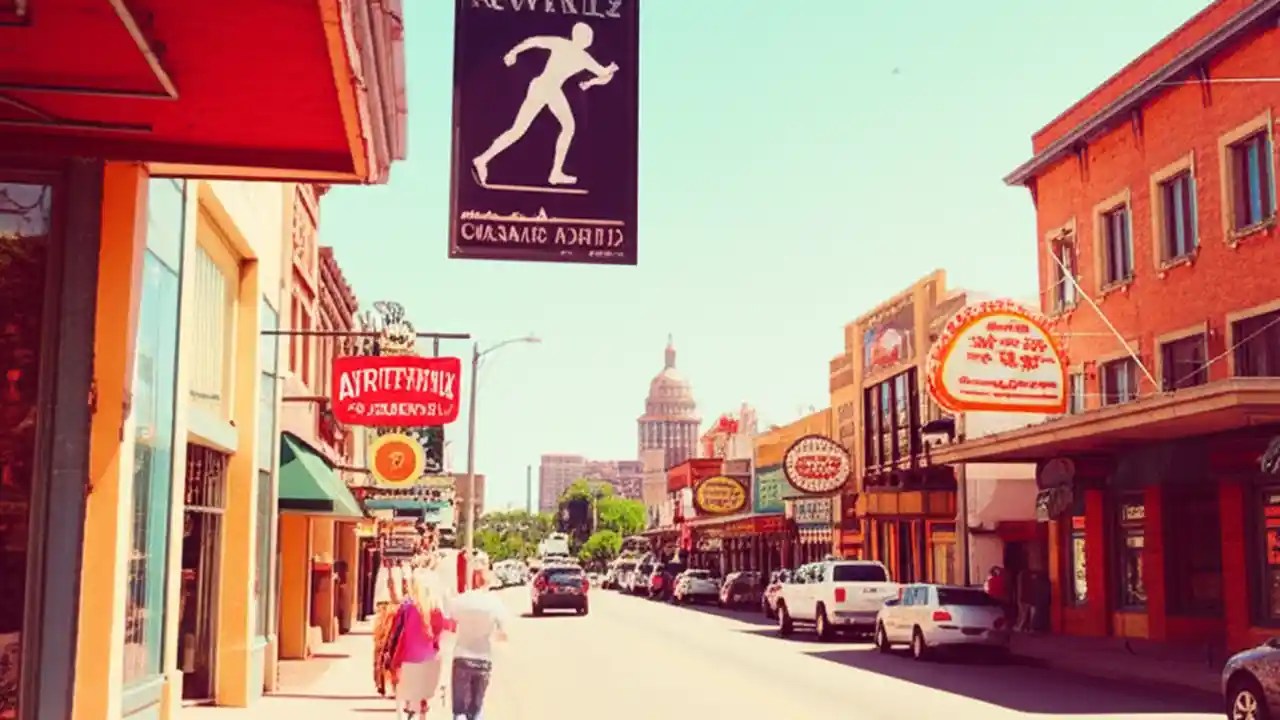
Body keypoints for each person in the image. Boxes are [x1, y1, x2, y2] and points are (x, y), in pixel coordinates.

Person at [472, 22, 619, 187]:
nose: (590, 40)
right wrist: (604, 74)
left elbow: (534, 40)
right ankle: (483, 159)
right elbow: (605, 74)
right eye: (588, 36)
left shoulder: (567, 47)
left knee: (548, 128)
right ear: (584, 38)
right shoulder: (581, 56)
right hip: (547, 88)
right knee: (530, 129)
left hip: (545, 87)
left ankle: (554, 172)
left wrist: (514, 52)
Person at [388, 569, 455, 719]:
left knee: (406, 699)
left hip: (408, 661)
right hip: (430, 662)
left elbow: (396, 632)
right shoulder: (435, 609)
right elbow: (442, 632)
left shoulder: (407, 607)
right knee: (423, 703)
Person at [448, 567, 509, 720]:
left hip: (462, 656)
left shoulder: (463, 600)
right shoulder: (494, 602)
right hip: (483, 658)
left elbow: (449, 617)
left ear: (473, 580)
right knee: (477, 708)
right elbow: (503, 632)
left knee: (460, 708)